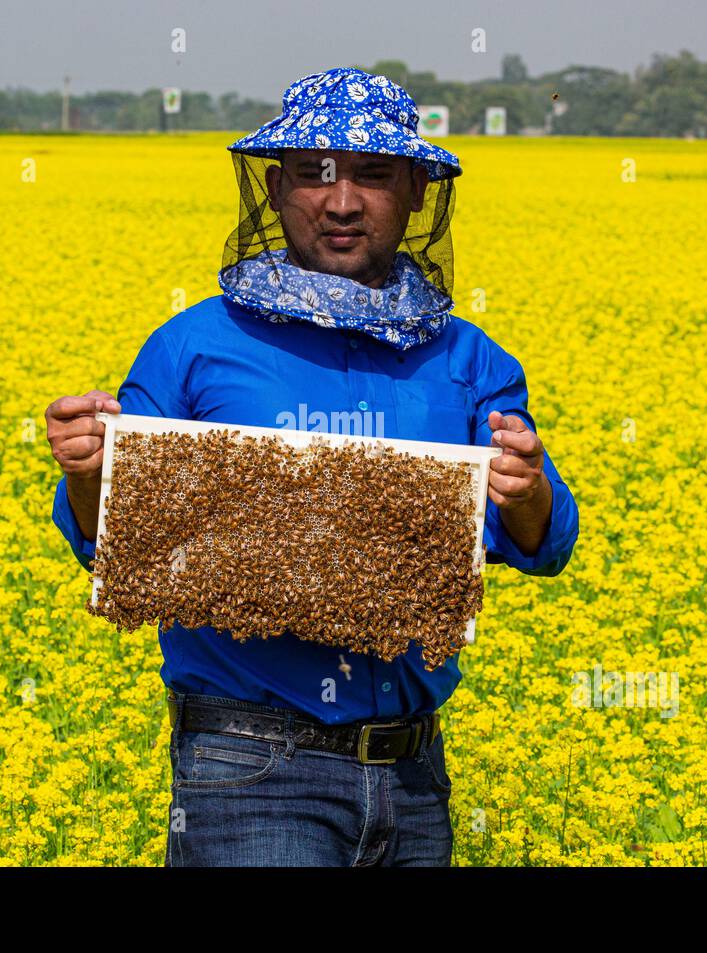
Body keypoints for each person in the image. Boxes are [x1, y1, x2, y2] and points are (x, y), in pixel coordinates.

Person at [45, 67, 579, 866]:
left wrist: (527, 487)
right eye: (314, 173)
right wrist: (89, 469)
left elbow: (542, 542)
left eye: (373, 175)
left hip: (413, 773)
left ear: (419, 195)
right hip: (251, 765)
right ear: (274, 185)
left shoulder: (470, 360)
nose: (341, 201)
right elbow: (110, 538)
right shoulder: (194, 346)